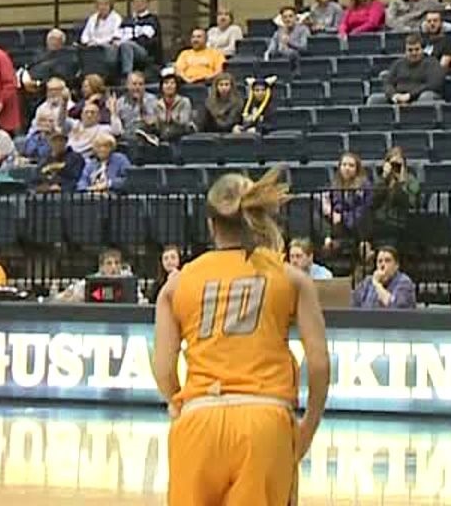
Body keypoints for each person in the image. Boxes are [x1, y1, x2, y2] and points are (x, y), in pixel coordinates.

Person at [151, 170, 330, 506]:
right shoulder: (291, 277)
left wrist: (181, 405)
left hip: (198, 418)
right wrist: (308, 426)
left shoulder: (176, 284)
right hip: (264, 421)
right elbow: (319, 365)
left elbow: (163, 368)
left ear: (210, 225)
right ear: (257, 219)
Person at [352, 246, 416, 309]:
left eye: (387, 261)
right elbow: (354, 307)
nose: (382, 265)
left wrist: (377, 284)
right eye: (380, 261)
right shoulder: (367, 282)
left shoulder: (404, 283)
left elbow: (395, 308)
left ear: (396, 265)